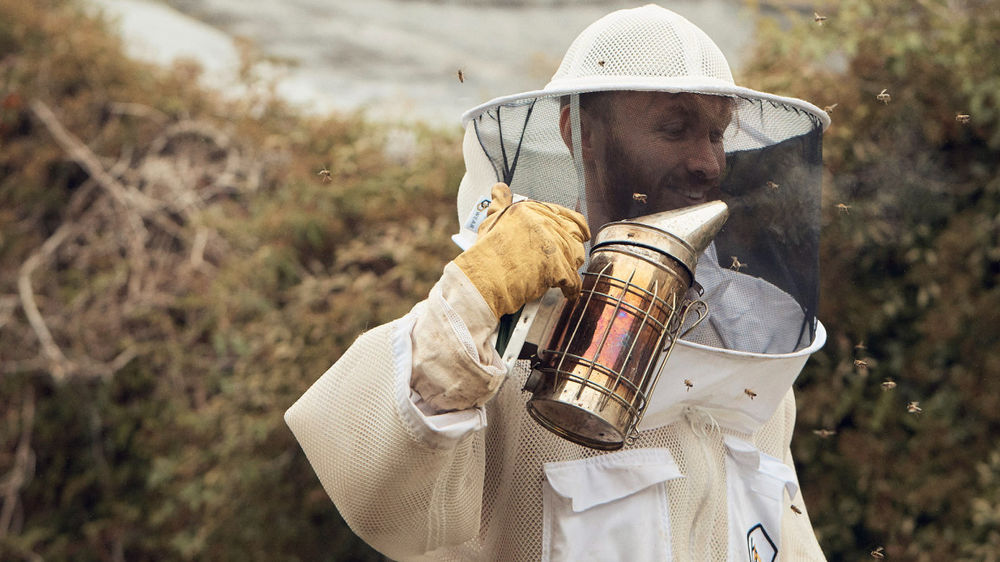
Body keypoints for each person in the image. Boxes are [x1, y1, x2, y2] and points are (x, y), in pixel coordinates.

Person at [286, 5, 830, 561]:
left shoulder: (745, 338)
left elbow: (788, 538)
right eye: (674, 128)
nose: (708, 163)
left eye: (717, 133)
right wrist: (467, 304)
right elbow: (381, 502)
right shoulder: (490, 332)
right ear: (582, 137)